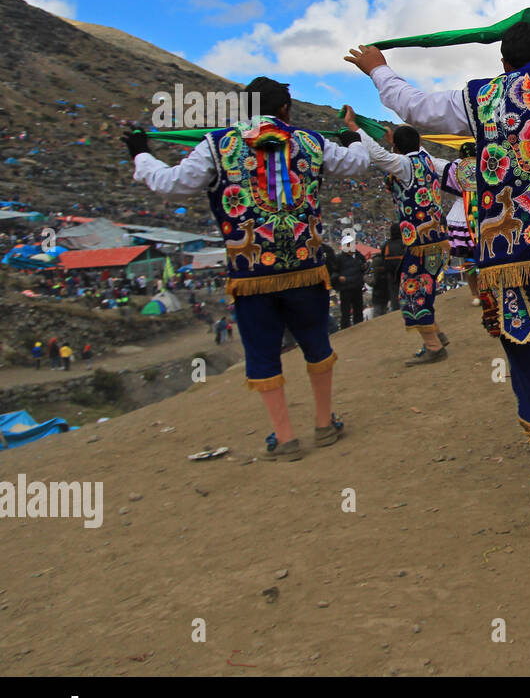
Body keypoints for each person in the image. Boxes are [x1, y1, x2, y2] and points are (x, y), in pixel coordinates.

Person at [346, 18, 530, 515]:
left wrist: (379, 69)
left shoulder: (482, 98)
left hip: (512, 265)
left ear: (502, 64)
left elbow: (413, 107)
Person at [126, 76, 370, 461]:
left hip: (250, 274)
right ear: (285, 109)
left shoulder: (216, 146)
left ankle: (284, 436)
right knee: (316, 342)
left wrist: (141, 154)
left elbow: (172, 184)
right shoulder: (311, 143)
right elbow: (358, 163)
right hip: (305, 268)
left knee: (262, 352)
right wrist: (353, 136)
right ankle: (324, 424)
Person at [343, 110, 453, 363]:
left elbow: (379, 155)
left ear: (398, 148)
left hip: (419, 244)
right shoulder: (426, 160)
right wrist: (394, 141)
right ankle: (436, 335)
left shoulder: (404, 165)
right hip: (437, 240)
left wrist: (355, 128)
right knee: (423, 288)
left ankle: (434, 346)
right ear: (420, 143)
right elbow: (394, 153)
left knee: (412, 292)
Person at [441, 142, 481, 303]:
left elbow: (436, 164)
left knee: (469, 259)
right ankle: (489, 291)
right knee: (487, 255)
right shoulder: (484, 165)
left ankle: (475, 294)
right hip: (483, 210)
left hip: (461, 215)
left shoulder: (455, 168)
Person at [332, 235, 367, 330]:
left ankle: (359, 327)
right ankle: (345, 330)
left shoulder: (359, 256)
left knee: (358, 309)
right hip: (346, 288)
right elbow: (333, 272)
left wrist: (365, 267)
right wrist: (338, 277)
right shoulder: (339, 258)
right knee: (345, 312)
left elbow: (364, 269)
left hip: (357, 286)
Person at [379, 222, 404, 314]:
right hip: (404, 272)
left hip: (391, 274)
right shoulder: (404, 243)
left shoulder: (386, 245)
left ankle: (396, 312)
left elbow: (382, 259)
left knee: (394, 294)